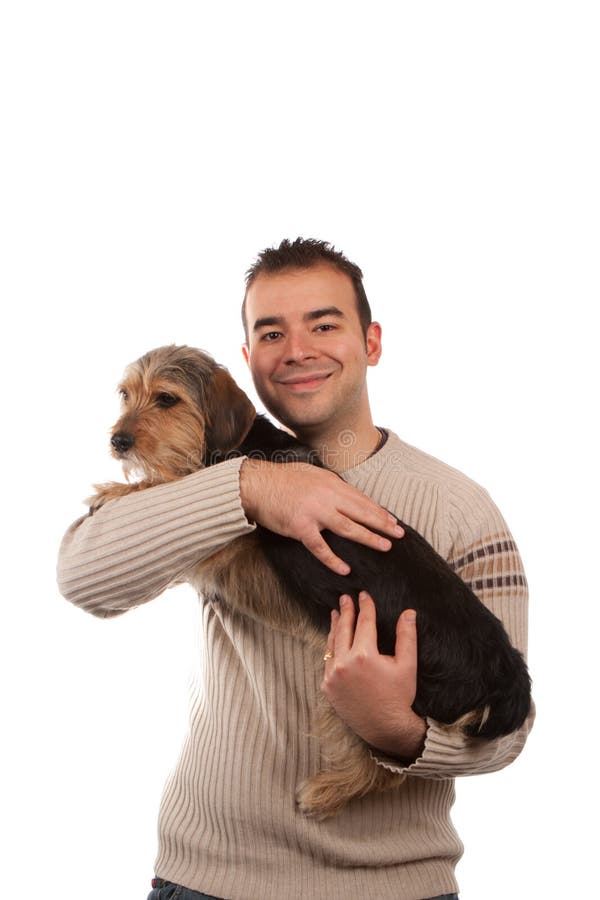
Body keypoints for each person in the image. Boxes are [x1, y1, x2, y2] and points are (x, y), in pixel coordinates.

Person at [57, 238, 534, 900]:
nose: (299, 349)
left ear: (371, 341)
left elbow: (507, 733)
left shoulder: (463, 507)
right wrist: (251, 489)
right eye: (271, 332)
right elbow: (83, 580)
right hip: (206, 879)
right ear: (249, 362)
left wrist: (395, 728)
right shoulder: (203, 491)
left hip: (397, 888)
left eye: (324, 324)